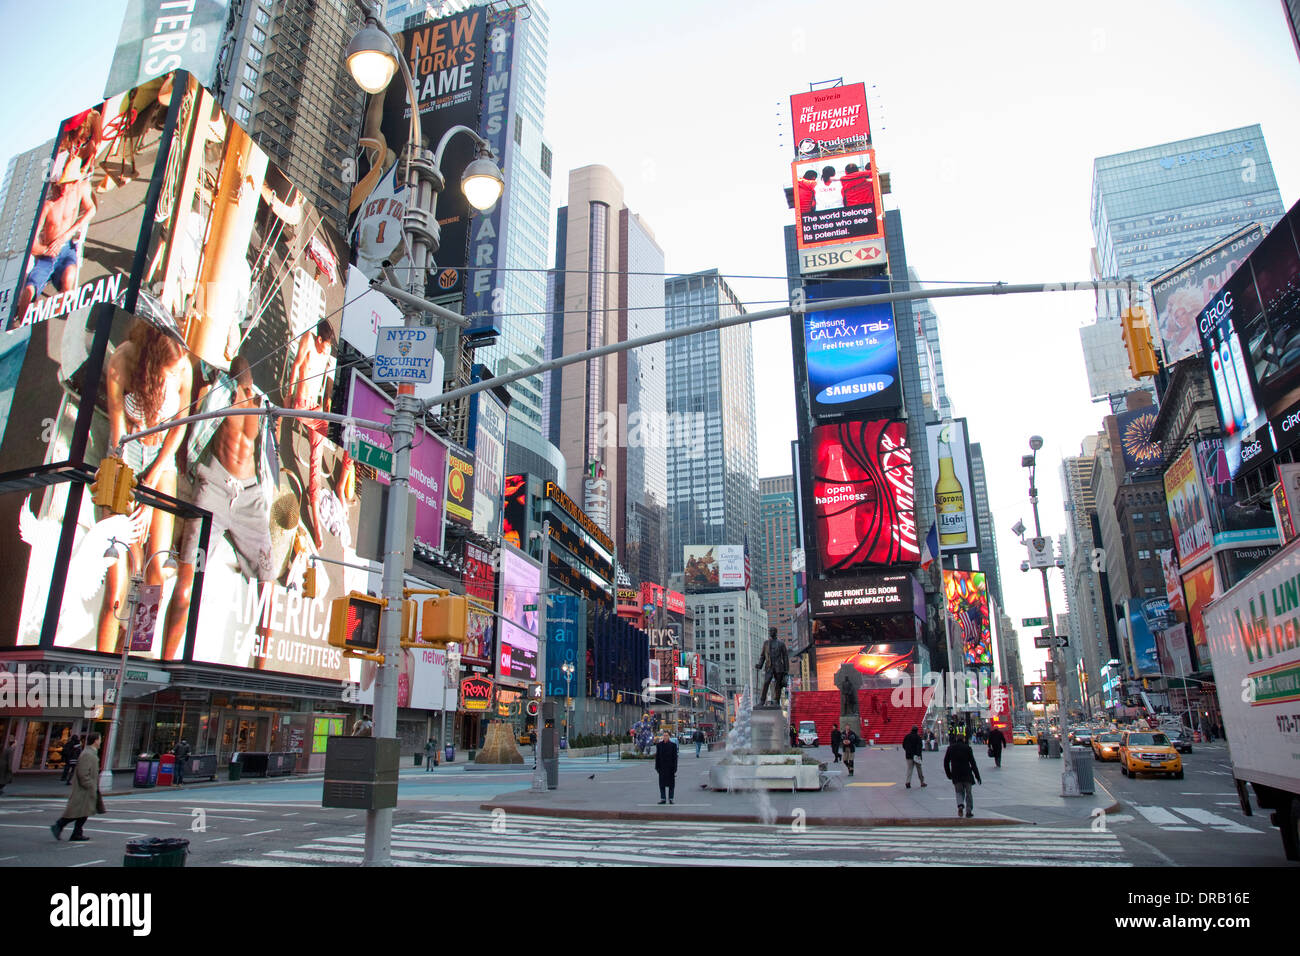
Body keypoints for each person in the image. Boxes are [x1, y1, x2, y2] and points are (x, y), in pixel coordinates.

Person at [164, 357, 277, 660]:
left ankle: (260, 675)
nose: (244, 386)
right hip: (213, 488)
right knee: (188, 576)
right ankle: (167, 659)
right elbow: (194, 418)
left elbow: (268, 457)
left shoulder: (262, 405)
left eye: (248, 383)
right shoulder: (218, 393)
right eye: (241, 381)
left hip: (249, 498)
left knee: (268, 586)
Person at [99, 320, 194, 653]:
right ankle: (98, 680)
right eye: (168, 372)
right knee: (119, 580)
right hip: (126, 451)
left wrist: (151, 484)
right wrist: (132, 497)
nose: (174, 376)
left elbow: (178, 429)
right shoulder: (124, 360)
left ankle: (133, 655)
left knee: (157, 570)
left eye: (178, 370)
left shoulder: (184, 367)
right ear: (153, 361)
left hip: (160, 461)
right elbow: (118, 436)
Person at [283, 320, 338, 549]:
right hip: (300, 404)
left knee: (317, 459)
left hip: (314, 408)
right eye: (325, 347)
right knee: (336, 432)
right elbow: (296, 367)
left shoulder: (325, 354)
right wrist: (288, 394)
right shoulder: (308, 340)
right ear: (319, 340)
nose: (326, 352)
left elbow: (326, 386)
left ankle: (315, 517)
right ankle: (343, 436)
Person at [52, 733, 101, 842]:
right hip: (83, 789)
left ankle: (77, 833)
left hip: (87, 789)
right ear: (95, 740)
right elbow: (83, 773)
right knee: (77, 811)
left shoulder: (90, 753)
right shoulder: (88, 754)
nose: (100, 742)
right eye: (99, 739)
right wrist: (90, 785)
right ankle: (59, 825)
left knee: (84, 812)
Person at [944, 730, 982, 819]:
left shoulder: (950, 748)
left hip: (956, 774)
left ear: (956, 739)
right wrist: (977, 776)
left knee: (959, 792)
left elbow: (946, 762)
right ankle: (969, 810)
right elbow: (973, 763)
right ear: (964, 739)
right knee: (969, 793)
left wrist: (948, 773)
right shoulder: (967, 748)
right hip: (967, 774)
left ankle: (960, 805)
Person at [654, 729, 678, 805]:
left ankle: (671, 798)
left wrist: (675, 768)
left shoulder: (673, 745)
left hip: (670, 768)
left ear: (669, 736)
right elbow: (657, 757)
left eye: (666, 735)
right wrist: (657, 767)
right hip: (662, 767)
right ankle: (663, 798)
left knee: (671, 784)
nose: (665, 737)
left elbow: (675, 758)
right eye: (664, 735)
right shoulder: (659, 745)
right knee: (662, 784)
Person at [903, 725, 927, 789]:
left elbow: (904, 745)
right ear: (917, 731)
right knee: (919, 769)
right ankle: (922, 782)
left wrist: (907, 751)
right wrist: (918, 755)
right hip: (916, 756)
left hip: (909, 755)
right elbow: (920, 747)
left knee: (909, 769)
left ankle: (908, 782)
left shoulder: (907, 736)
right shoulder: (918, 737)